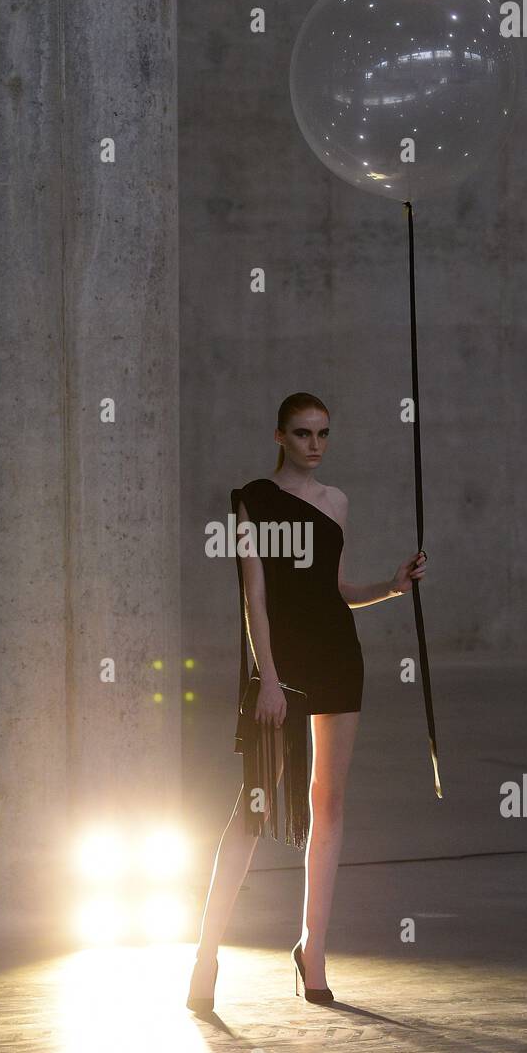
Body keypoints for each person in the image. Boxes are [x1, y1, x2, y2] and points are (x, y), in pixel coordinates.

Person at [187, 392, 427, 1013]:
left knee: (329, 802)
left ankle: (312, 950)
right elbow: (255, 599)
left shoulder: (337, 502)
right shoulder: (252, 501)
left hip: (338, 661)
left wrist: (393, 588)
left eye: (323, 433)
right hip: (281, 671)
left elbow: (337, 590)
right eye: (302, 434)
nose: (315, 445)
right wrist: (267, 678)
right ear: (279, 437)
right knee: (253, 810)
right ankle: (205, 955)